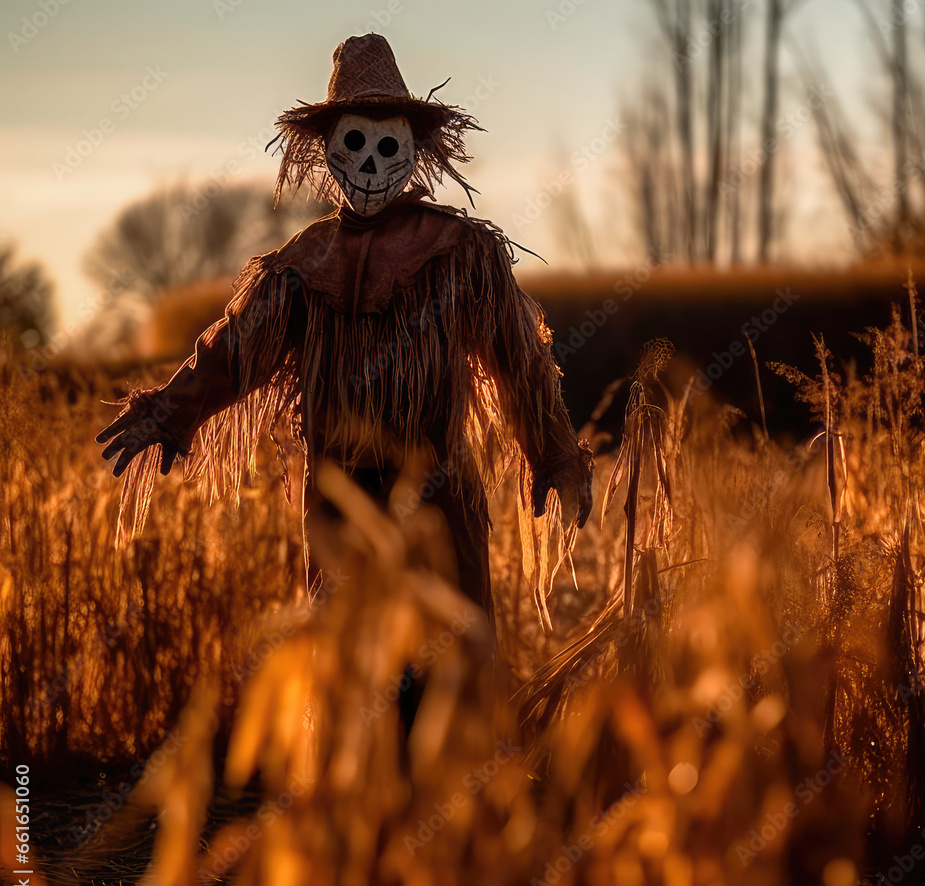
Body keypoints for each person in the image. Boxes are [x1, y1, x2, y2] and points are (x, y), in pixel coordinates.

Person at [97, 33, 593, 617]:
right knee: (348, 663)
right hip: (339, 511)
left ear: (414, 147)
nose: (371, 164)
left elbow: (521, 363)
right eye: (355, 142)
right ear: (328, 148)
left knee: (449, 655)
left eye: (388, 145)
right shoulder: (303, 264)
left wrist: (555, 455)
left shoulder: (461, 252)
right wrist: (170, 409)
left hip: (439, 505)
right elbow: (234, 353)